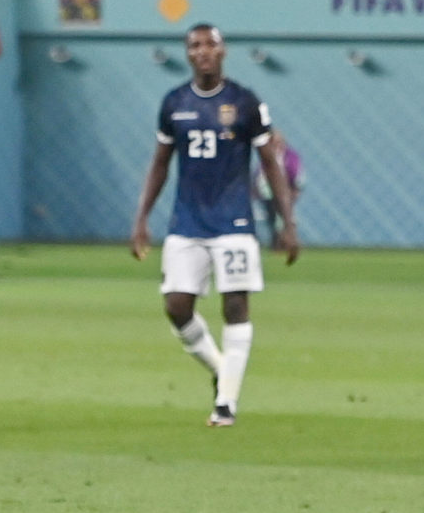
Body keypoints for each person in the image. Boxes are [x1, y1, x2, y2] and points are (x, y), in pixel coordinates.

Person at [127, 24, 298, 427]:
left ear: (223, 52)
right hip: (186, 222)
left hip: (234, 222)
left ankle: (226, 404)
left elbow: (270, 164)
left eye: (210, 45)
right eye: (195, 46)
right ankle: (224, 371)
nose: (203, 52)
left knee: (235, 305)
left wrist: (286, 222)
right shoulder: (174, 103)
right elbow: (160, 164)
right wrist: (141, 219)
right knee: (176, 305)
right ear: (187, 54)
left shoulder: (245, 102)